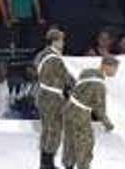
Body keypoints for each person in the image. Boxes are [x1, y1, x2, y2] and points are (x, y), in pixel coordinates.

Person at [60, 56, 116, 169]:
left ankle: (68, 165)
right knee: (85, 144)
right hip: (80, 113)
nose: (115, 72)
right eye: (114, 68)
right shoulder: (99, 85)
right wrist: (108, 124)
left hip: (68, 109)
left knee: (69, 141)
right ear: (106, 66)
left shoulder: (86, 73)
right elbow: (99, 108)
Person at [33, 26, 74, 169]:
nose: (63, 43)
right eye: (62, 40)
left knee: (47, 129)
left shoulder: (41, 55)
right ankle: (47, 163)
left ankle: (45, 162)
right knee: (54, 130)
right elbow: (65, 77)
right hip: (52, 98)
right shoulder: (54, 58)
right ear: (55, 41)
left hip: (43, 95)